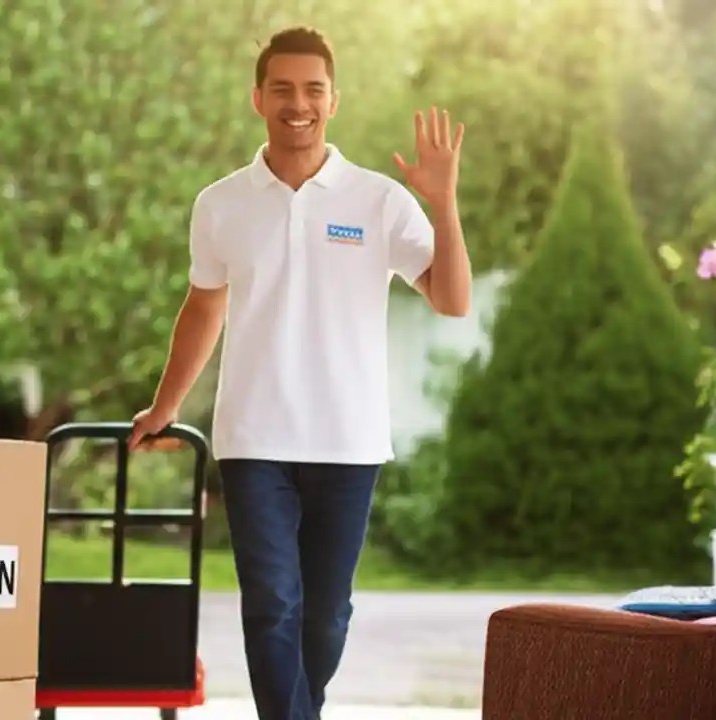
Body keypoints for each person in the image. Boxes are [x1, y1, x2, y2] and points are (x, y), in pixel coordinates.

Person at [127, 26, 472, 720]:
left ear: (333, 100)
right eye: (281, 88)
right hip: (254, 440)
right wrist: (165, 405)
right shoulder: (220, 203)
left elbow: (452, 299)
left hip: (349, 442)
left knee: (326, 617)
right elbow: (202, 308)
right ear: (258, 98)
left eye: (313, 89)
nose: (298, 103)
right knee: (273, 603)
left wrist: (442, 201)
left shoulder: (377, 200)